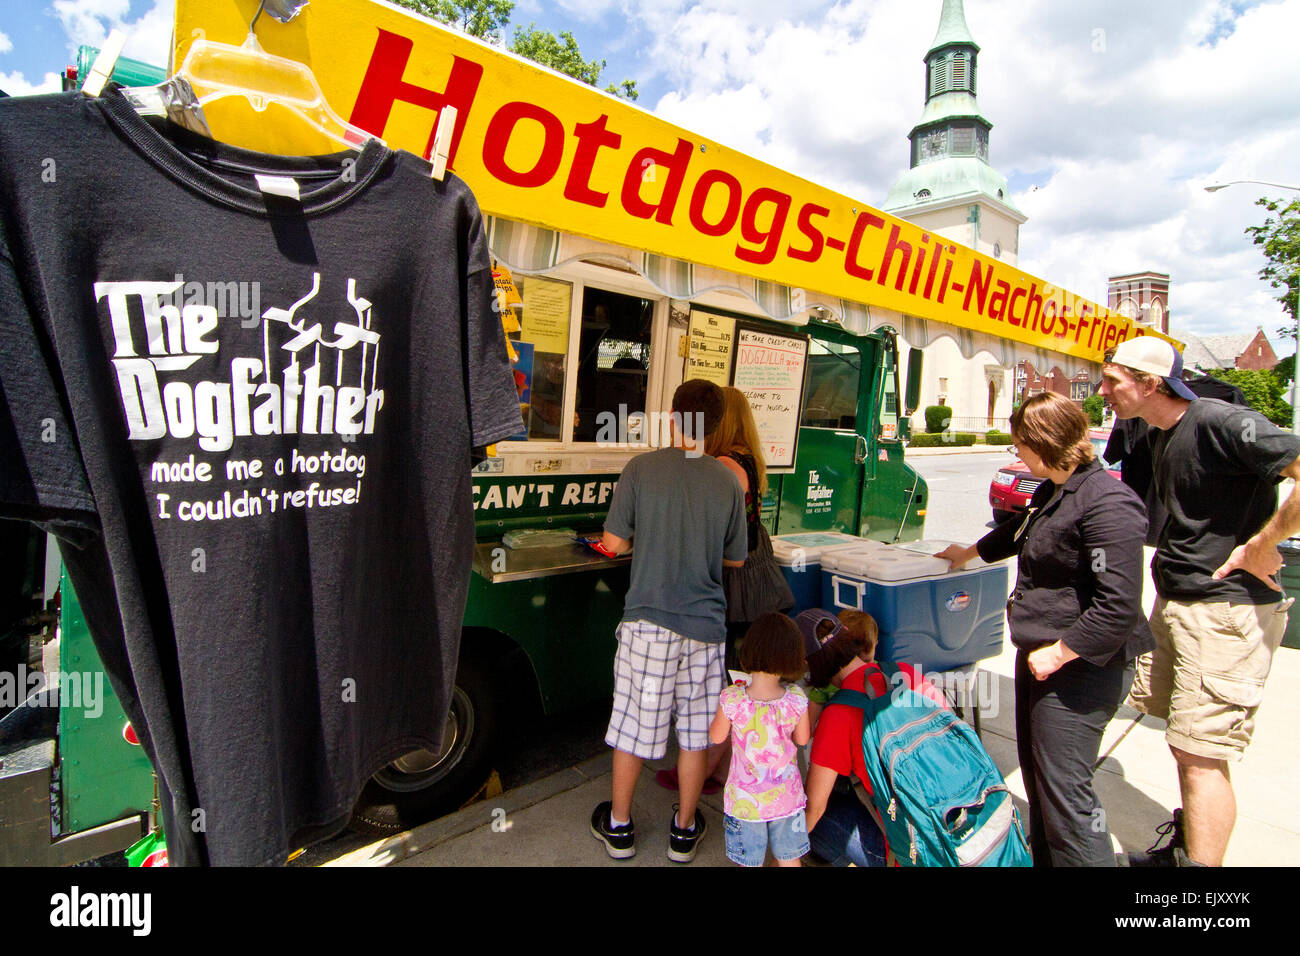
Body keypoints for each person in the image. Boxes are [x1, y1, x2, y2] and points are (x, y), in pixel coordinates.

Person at [1099, 336, 1300, 867]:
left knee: (1203, 756)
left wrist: (1264, 542)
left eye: (1112, 381)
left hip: (1226, 611)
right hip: (1181, 603)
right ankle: (1186, 852)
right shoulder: (1162, 434)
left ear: (1150, 384)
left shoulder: (1220, 421)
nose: (1104, 392)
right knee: (1186, 744)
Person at [936, 392, 1153, 866]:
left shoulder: (1109, 503)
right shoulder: (1055, 489)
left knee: (1066, 794)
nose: (1016, 455)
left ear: (1044, 443)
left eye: (1020, 446)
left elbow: (1117, 606)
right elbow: (1017, 533)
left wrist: (1061, 652)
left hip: (1082, 666)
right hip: (1042, 655)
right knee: (1038, 777)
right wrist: (967, 554)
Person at [589, 378, 747, 862]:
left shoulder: (640, 468)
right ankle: (683, 830)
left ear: (673, 417)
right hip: (704, 628)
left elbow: (612, 544)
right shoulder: (727, 480)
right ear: (716, 425)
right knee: (697, 733)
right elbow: (736, 560)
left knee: (633, 726)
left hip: (648, 623)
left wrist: (641, 541)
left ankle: (619, 828)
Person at [655, 386, 795, 796]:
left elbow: (718, 535)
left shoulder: (724, 465)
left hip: (739, 580)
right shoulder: (745, 457)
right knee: (739, 676)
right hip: (757, 573)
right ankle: (720, 767)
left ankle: (706, 770)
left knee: (729, 680)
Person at [801, 607, 947, 866]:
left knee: (808, 816)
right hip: (958, 819)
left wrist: (781, 854)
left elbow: (815, 808)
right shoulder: (905, 671)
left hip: (912, 849)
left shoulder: (839, 713)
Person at [708, 613, 812, 867]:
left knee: (749, 862)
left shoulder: (733, 699)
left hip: (745, 801)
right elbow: (802, 739)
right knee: (789, 859)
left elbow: (716, 736)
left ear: (750, 648)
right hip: (787, 798)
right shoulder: (796, 698)